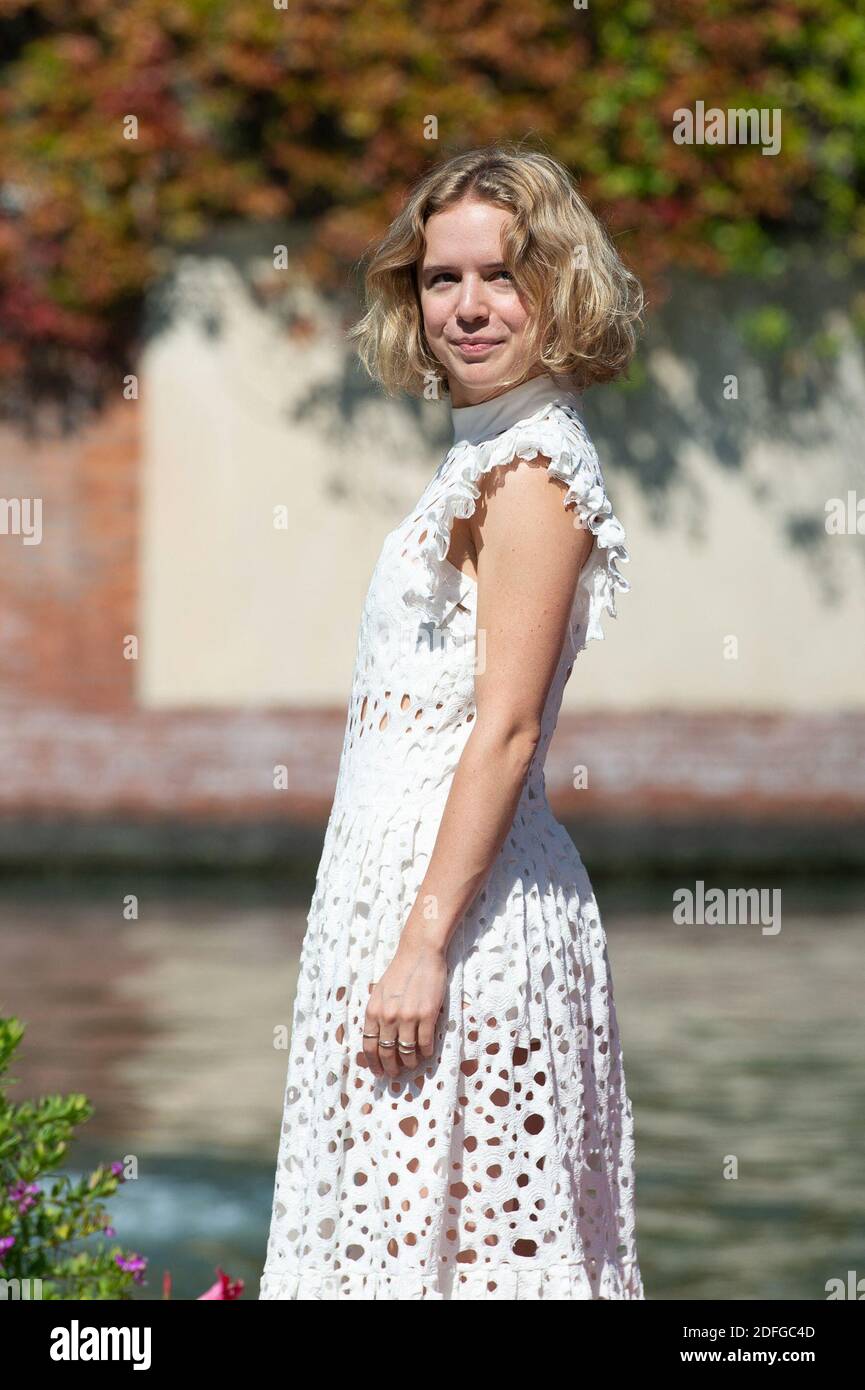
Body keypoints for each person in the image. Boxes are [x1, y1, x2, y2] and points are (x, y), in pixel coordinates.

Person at [259, 143, 646, 1300]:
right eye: (442, 279)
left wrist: (423, 944)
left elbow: (510, 731)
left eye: (503, 275)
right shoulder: (481, 448)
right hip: (405, 905)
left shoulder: (533, 471)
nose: (469, 308)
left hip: (468, 927)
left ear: (560, 284)